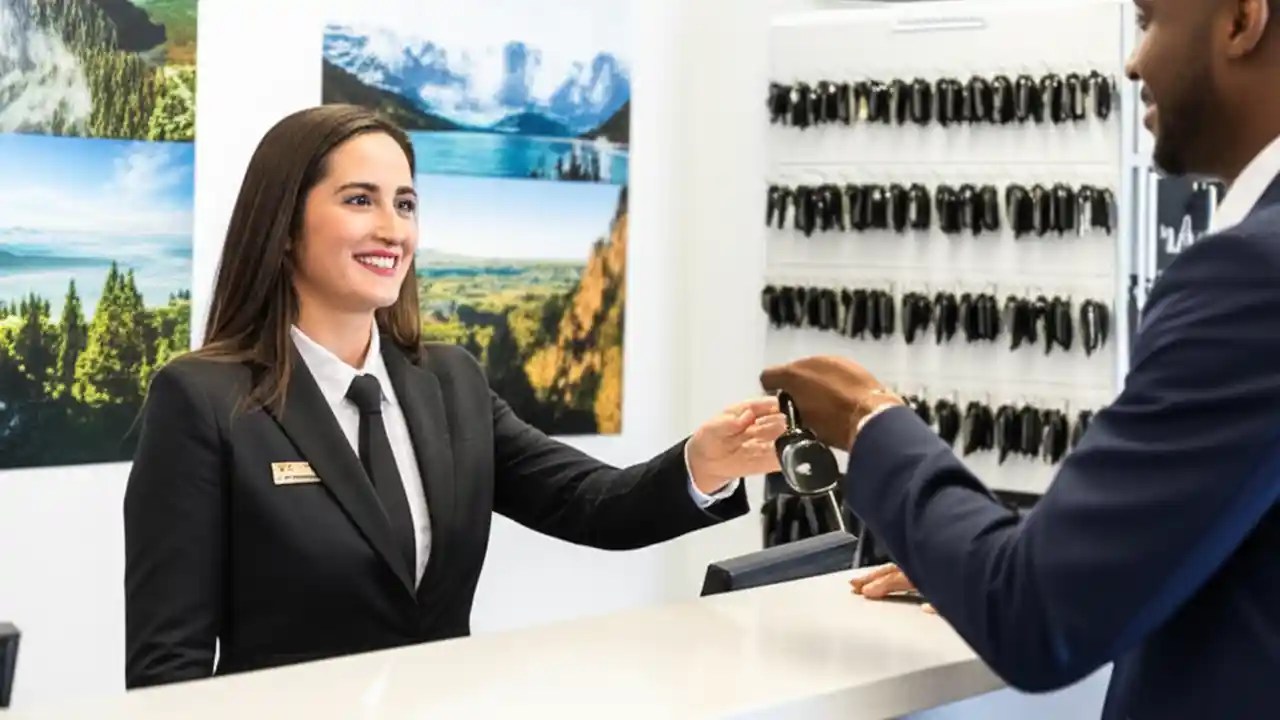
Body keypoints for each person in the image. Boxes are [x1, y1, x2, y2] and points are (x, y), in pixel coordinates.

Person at [123, 104, 786, 689]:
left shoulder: (449, 382)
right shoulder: (203, 400)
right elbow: (167, 669)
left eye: (405, 204)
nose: (393, 229)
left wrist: (703, 465)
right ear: (286, 224)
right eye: (360, 200)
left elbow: (593, 505)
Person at [761, 1, 1280, 717]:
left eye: (1148, 20)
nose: (1133, 63)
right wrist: (969, 552)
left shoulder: (1251, 276)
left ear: (1242, 19)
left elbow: (1037, 614)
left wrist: (868, 419)